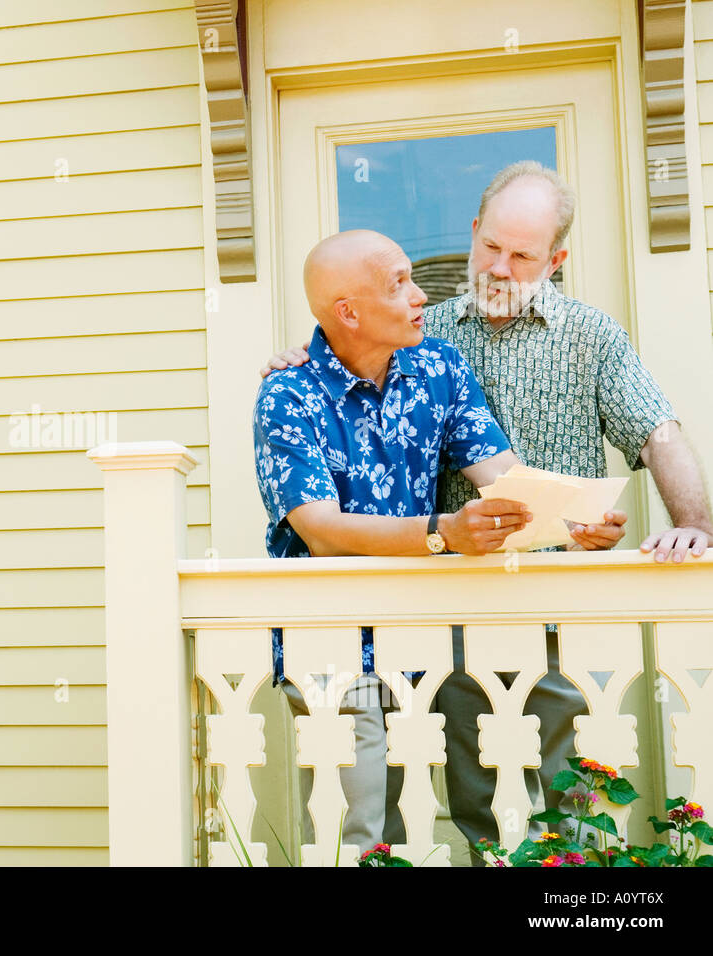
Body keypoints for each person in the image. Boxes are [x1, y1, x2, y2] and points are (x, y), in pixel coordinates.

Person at [259, 161, 711, 862]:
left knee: (578, 796)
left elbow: (618, 443)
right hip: (431, 624)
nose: (498, 267)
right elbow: (319, 515)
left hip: (551, 608)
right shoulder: (416, 336)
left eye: (523, 255)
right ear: (473, 233)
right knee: (436, 814)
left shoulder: (533, 346)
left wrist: (585, 522)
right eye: (490, 246)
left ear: (555, 260)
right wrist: (306, 359)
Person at [255, 228, 547, 856]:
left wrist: (572, 525)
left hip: (429, 636)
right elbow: (321, 531)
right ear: (347, 312)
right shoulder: (287, 393)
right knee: (363, 832)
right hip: (331, 642)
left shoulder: (439, 367)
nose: (421, 296)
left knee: (502, 810)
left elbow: (506, 481)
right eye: (400, 284)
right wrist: (443, 533)